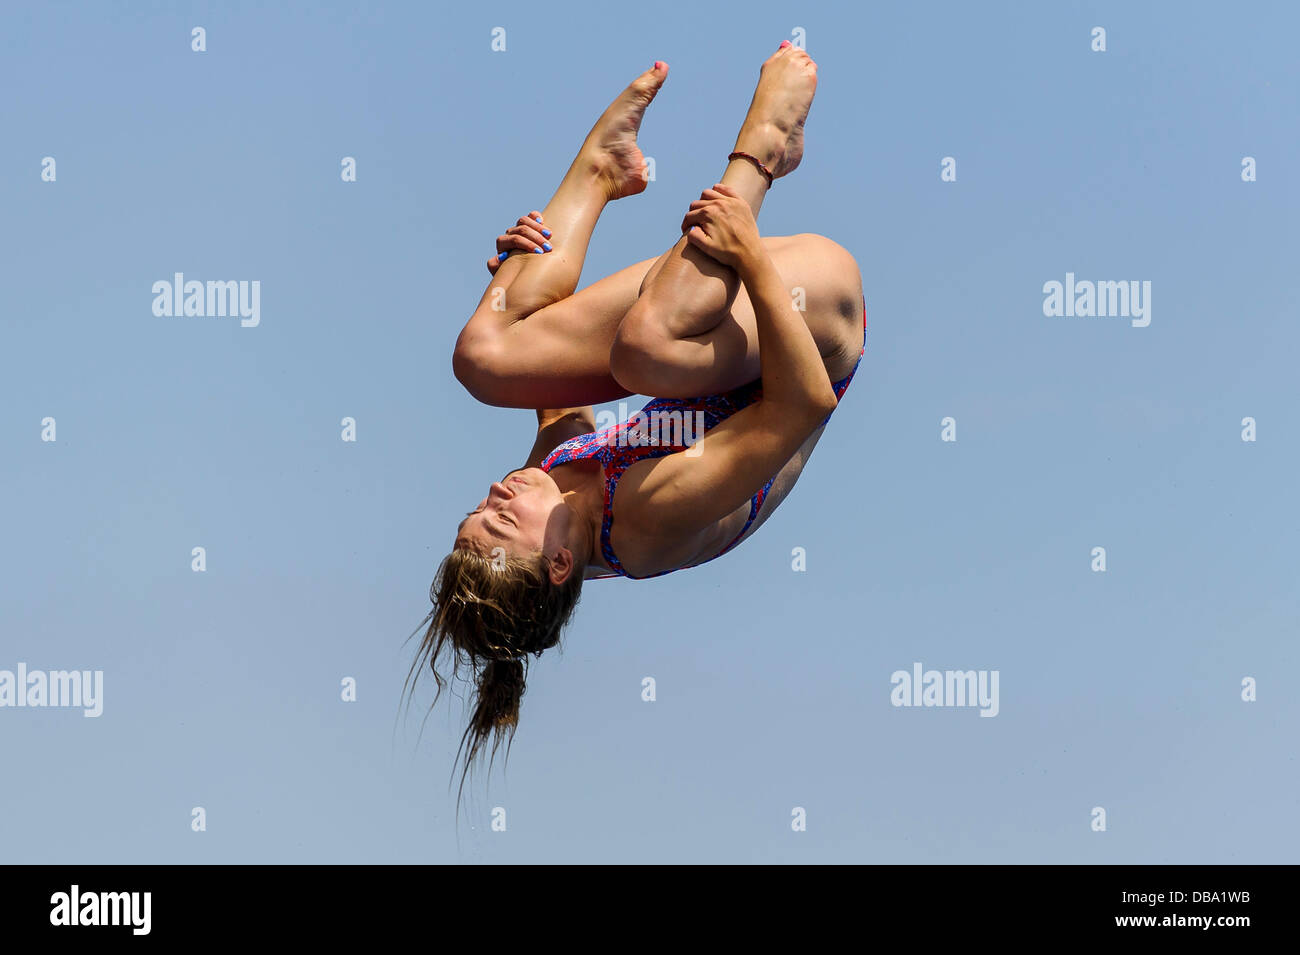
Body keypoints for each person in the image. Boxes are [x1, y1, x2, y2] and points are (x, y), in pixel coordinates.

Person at [409, 43, 867, 789]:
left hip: (709, 320)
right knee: (646, 348)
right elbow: (804, 401)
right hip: (813, 322)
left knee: (484, 356)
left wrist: (510, 283)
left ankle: (603, 169)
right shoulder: (647, 520)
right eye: (498, 525)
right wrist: (749, 255)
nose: (492, 497)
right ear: (560, 564)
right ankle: (763, 151)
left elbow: (549, 372)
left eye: (472, 512)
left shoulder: (553, 484)